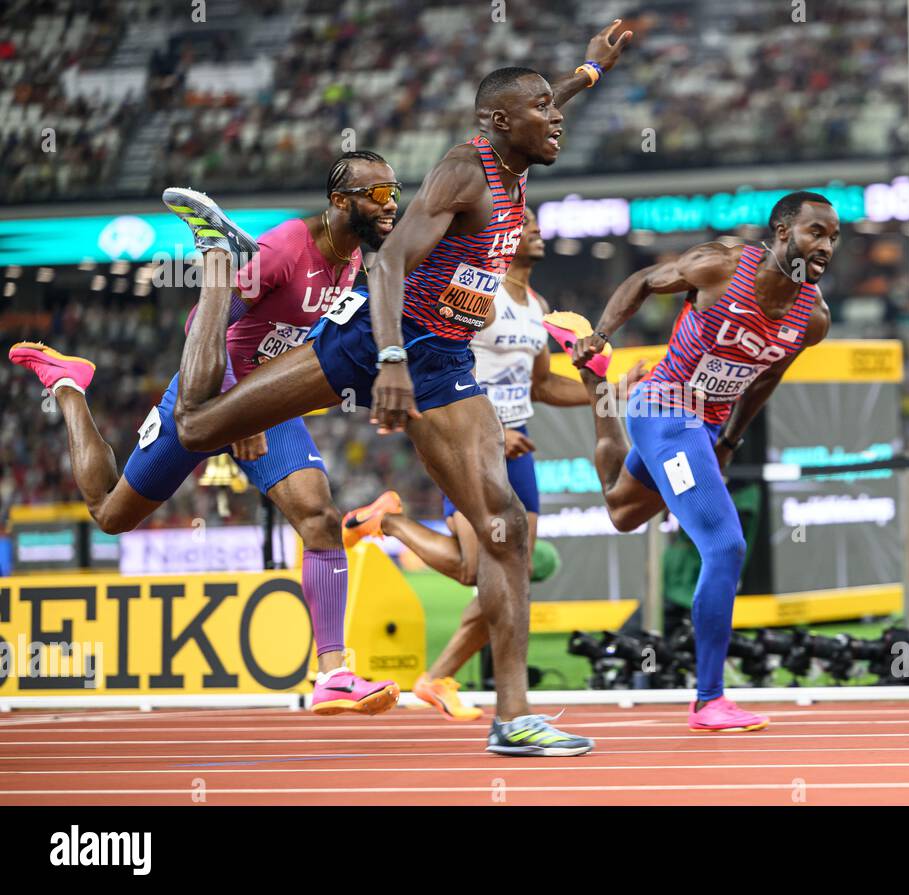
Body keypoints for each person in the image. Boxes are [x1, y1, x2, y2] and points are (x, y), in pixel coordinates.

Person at [161, 22, 633, 756]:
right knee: (195, 428)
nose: (559, 117)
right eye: (544, 108)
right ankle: (218, 263)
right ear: (501, 122)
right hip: (372, 340)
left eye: (556, 105)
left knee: (505, 526)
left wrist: (588, 71)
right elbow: (385, 268)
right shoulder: (463, 171)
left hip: (444, 361)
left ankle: (514, 718)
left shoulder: (522, 159)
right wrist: (386, 362)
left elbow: (550, 100)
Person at [8, 150, 403, 715]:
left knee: (318, 517)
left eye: (394, 191)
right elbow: (203, 324)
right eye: (379, 194)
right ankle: (70, 386)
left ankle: (333, 674)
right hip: (206, 392)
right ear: (340, 201)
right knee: (111, 514)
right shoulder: (290, 247)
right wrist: (231, 403)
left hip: (267, 405)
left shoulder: (357, 258)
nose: (392, 204)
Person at [546, 191, 836, 732]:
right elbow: (640, 283)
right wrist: (600, 334)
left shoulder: (813, 318)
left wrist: (728, 443)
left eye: (834, 238)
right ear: (781, 232)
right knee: (725, 545)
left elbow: (768, 376)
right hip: (665, 410)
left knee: (623, 513)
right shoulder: (722, 266)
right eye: (816, 232)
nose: (826, 246)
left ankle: (596, 387)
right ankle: (709, 700)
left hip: (702, 429)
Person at [342, 207, 592, 721]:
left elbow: (542, 384)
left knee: (512, 573)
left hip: (518, 451)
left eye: (540, 226)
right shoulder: (482, 296)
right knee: (471, 570)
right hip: (473, 441)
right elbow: (446, 359)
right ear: (504, 239)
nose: (537, 231)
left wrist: (604, 391)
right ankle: (384, 521)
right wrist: (492, 433)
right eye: (526, 226)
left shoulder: (536, 305)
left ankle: (436, 679)